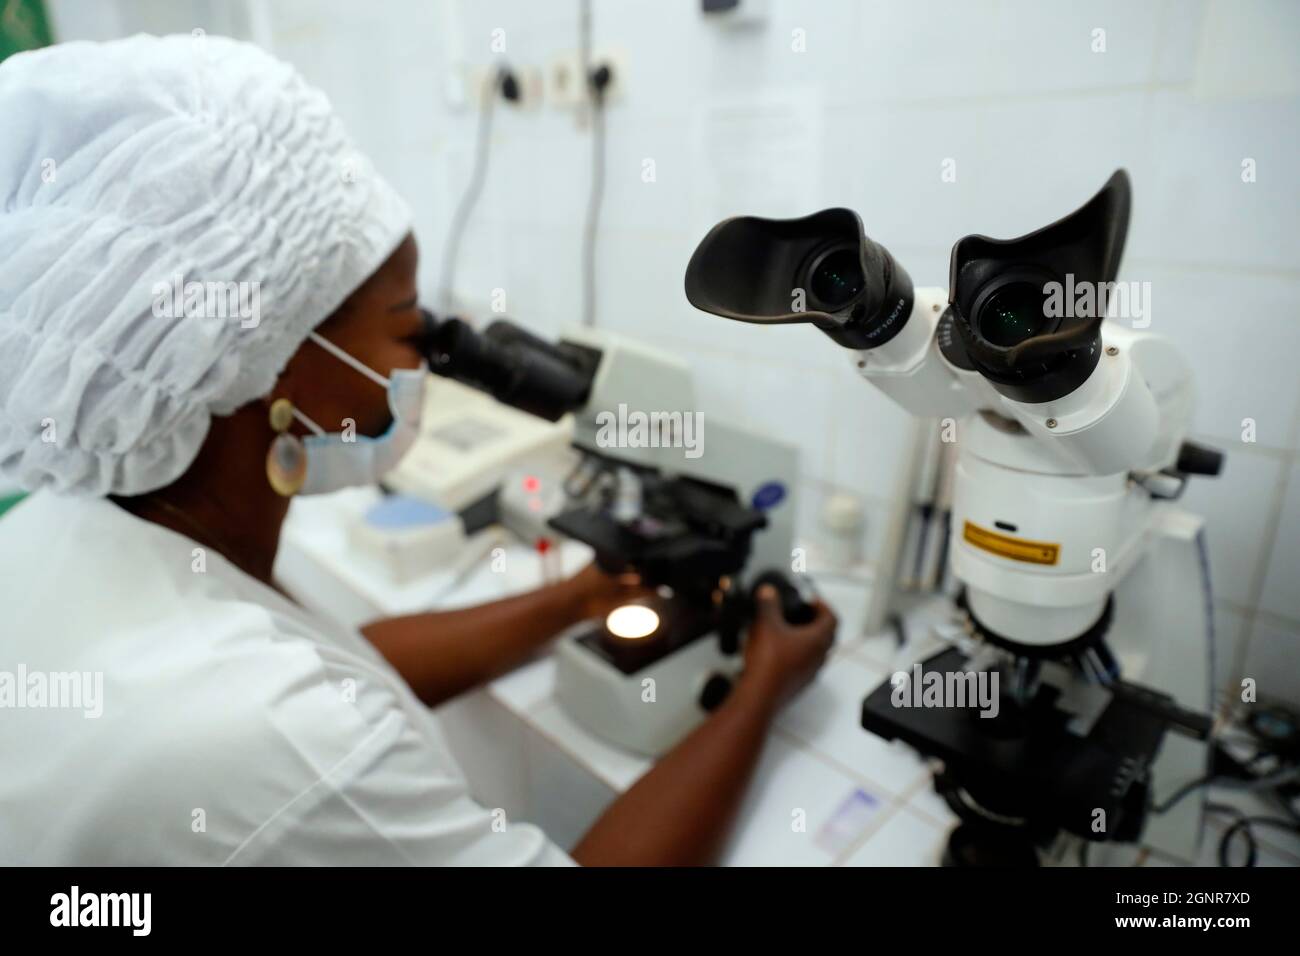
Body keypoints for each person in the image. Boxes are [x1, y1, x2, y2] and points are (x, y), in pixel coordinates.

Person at [0, 34, 836, 866]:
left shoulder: (69, 520)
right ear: (270, 363)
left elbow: (344, 670)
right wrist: (761, 690)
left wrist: (576, 599)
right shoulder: (276, 742)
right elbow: (319, 730)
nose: (423, 365)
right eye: (410, 328)